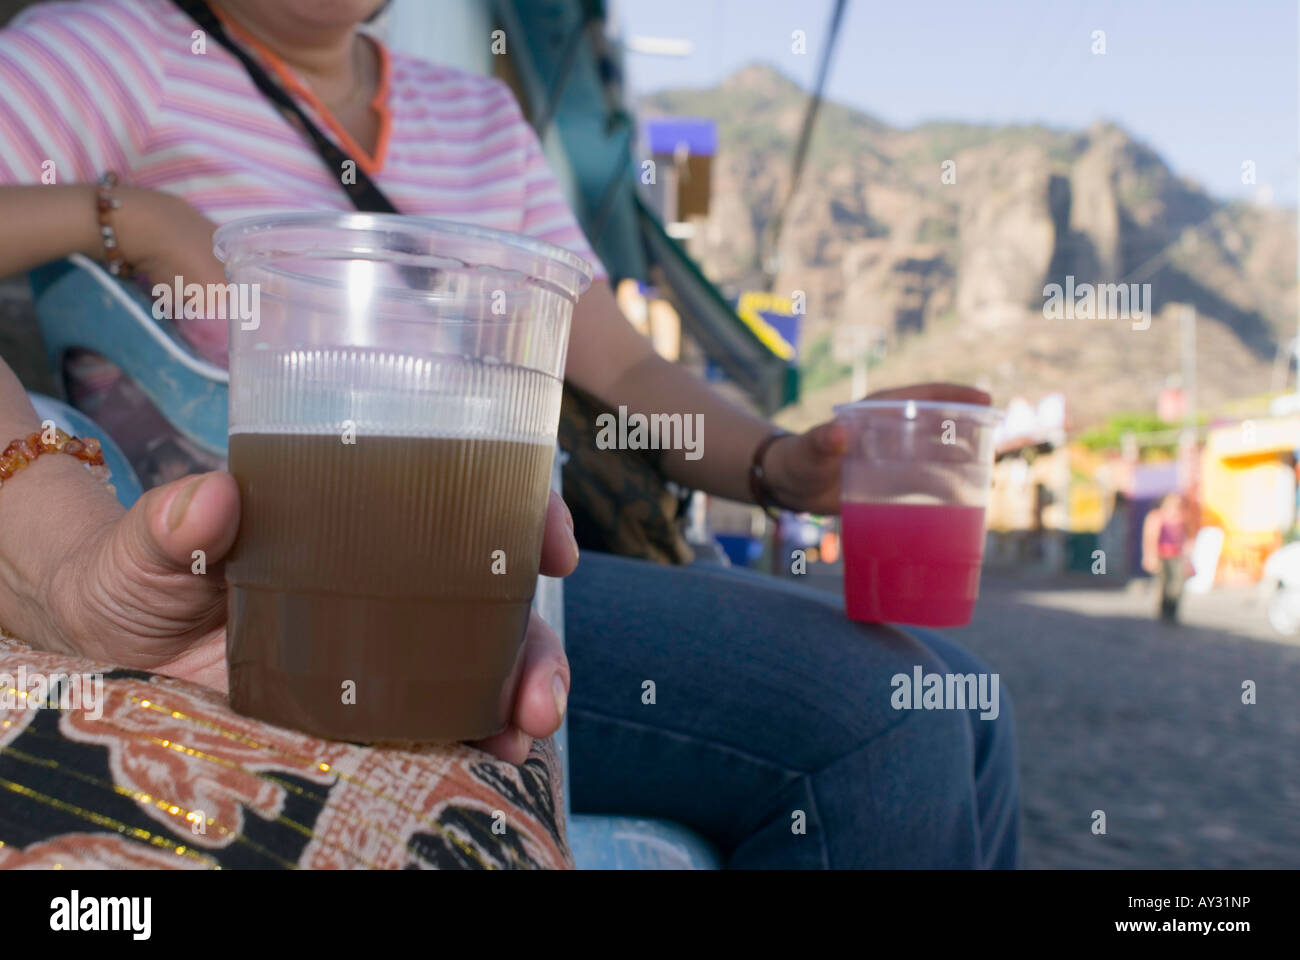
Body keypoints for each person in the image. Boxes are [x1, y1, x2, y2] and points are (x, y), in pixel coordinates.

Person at [0, 0, 1019, 867]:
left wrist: (777, 463)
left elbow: (620, 366)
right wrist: (124, 213)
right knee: (894, 708)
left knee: (963, 698)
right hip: (266, 584)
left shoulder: (476, 111)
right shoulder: (118, 48)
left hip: (509, 565)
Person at [1142, 492, 1191, 622]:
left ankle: (1173, 610)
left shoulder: (1181, 517)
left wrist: (1188, 557)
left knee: (1177, 584)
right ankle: (1163, 611)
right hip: (1162, 555)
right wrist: (1150, 556)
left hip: (1177, 556)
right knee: (1163, 584)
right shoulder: (1156, 516)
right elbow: (1150, 537)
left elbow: (1185, 537)